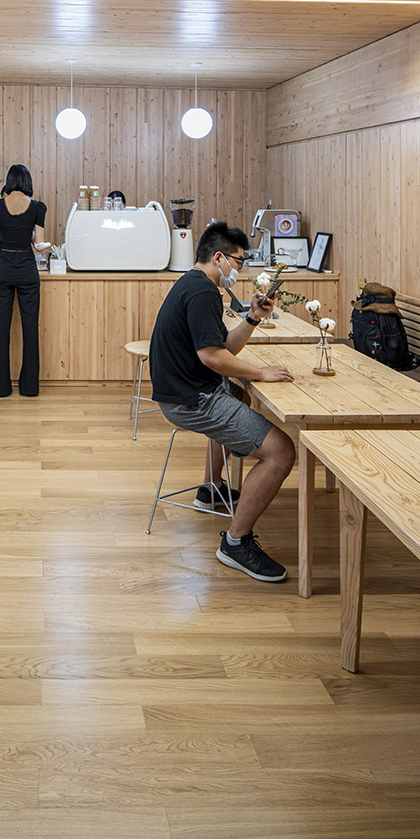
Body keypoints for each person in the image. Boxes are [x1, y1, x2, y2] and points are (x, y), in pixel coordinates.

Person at [149, 221, 296, 582]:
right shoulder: (203, 293)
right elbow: (213, 358)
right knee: (281, 452)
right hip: (191, 400)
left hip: (186, 390)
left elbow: (224, 347)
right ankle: (236, 542)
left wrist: (252, 317)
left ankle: (210, 488)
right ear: (219, 258)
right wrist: (260, 373)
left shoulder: (194, 284)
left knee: (240, 393)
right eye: (239, 261)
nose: (240, 269)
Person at [0, 165, 51, 398]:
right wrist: (31, 241)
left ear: (10, 181)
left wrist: (3, 243)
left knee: (1, 330)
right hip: (27, 270)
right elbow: (39, 245)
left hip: (2, 269)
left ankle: (1, 388)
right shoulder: (38, 208)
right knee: (30, 329)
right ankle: (29, 387)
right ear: (27, 182)